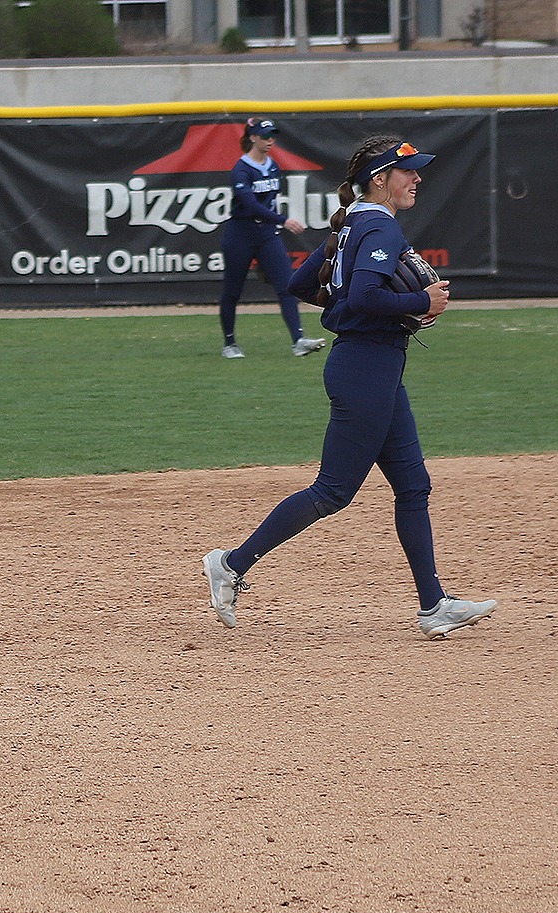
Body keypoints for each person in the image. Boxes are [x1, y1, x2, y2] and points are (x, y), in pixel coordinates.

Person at [202, 134, 498, 640]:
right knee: (333, 490)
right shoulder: (378, 224)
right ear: (379, 179)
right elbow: (363, 295)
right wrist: (420, 302)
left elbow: (300, 286)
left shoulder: (352, 223)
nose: (417, 178)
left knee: (413, 485)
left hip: (372, 366)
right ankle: (231, 563)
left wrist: (348, 309)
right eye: (407, 171)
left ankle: (434, 606)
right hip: (365, 369)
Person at [218, 117, 328, 360]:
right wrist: (283, 220)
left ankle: (298, 341)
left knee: (287, 286)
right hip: (240, 234)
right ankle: (229, 343)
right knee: (232, 292)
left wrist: (276, 223)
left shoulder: (273, 166)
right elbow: (250, 205)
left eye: (272, 136)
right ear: (253, 137)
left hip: (267, 234)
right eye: (265, 136)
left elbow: (270, 202)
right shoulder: (241, 169)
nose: (270, 140)